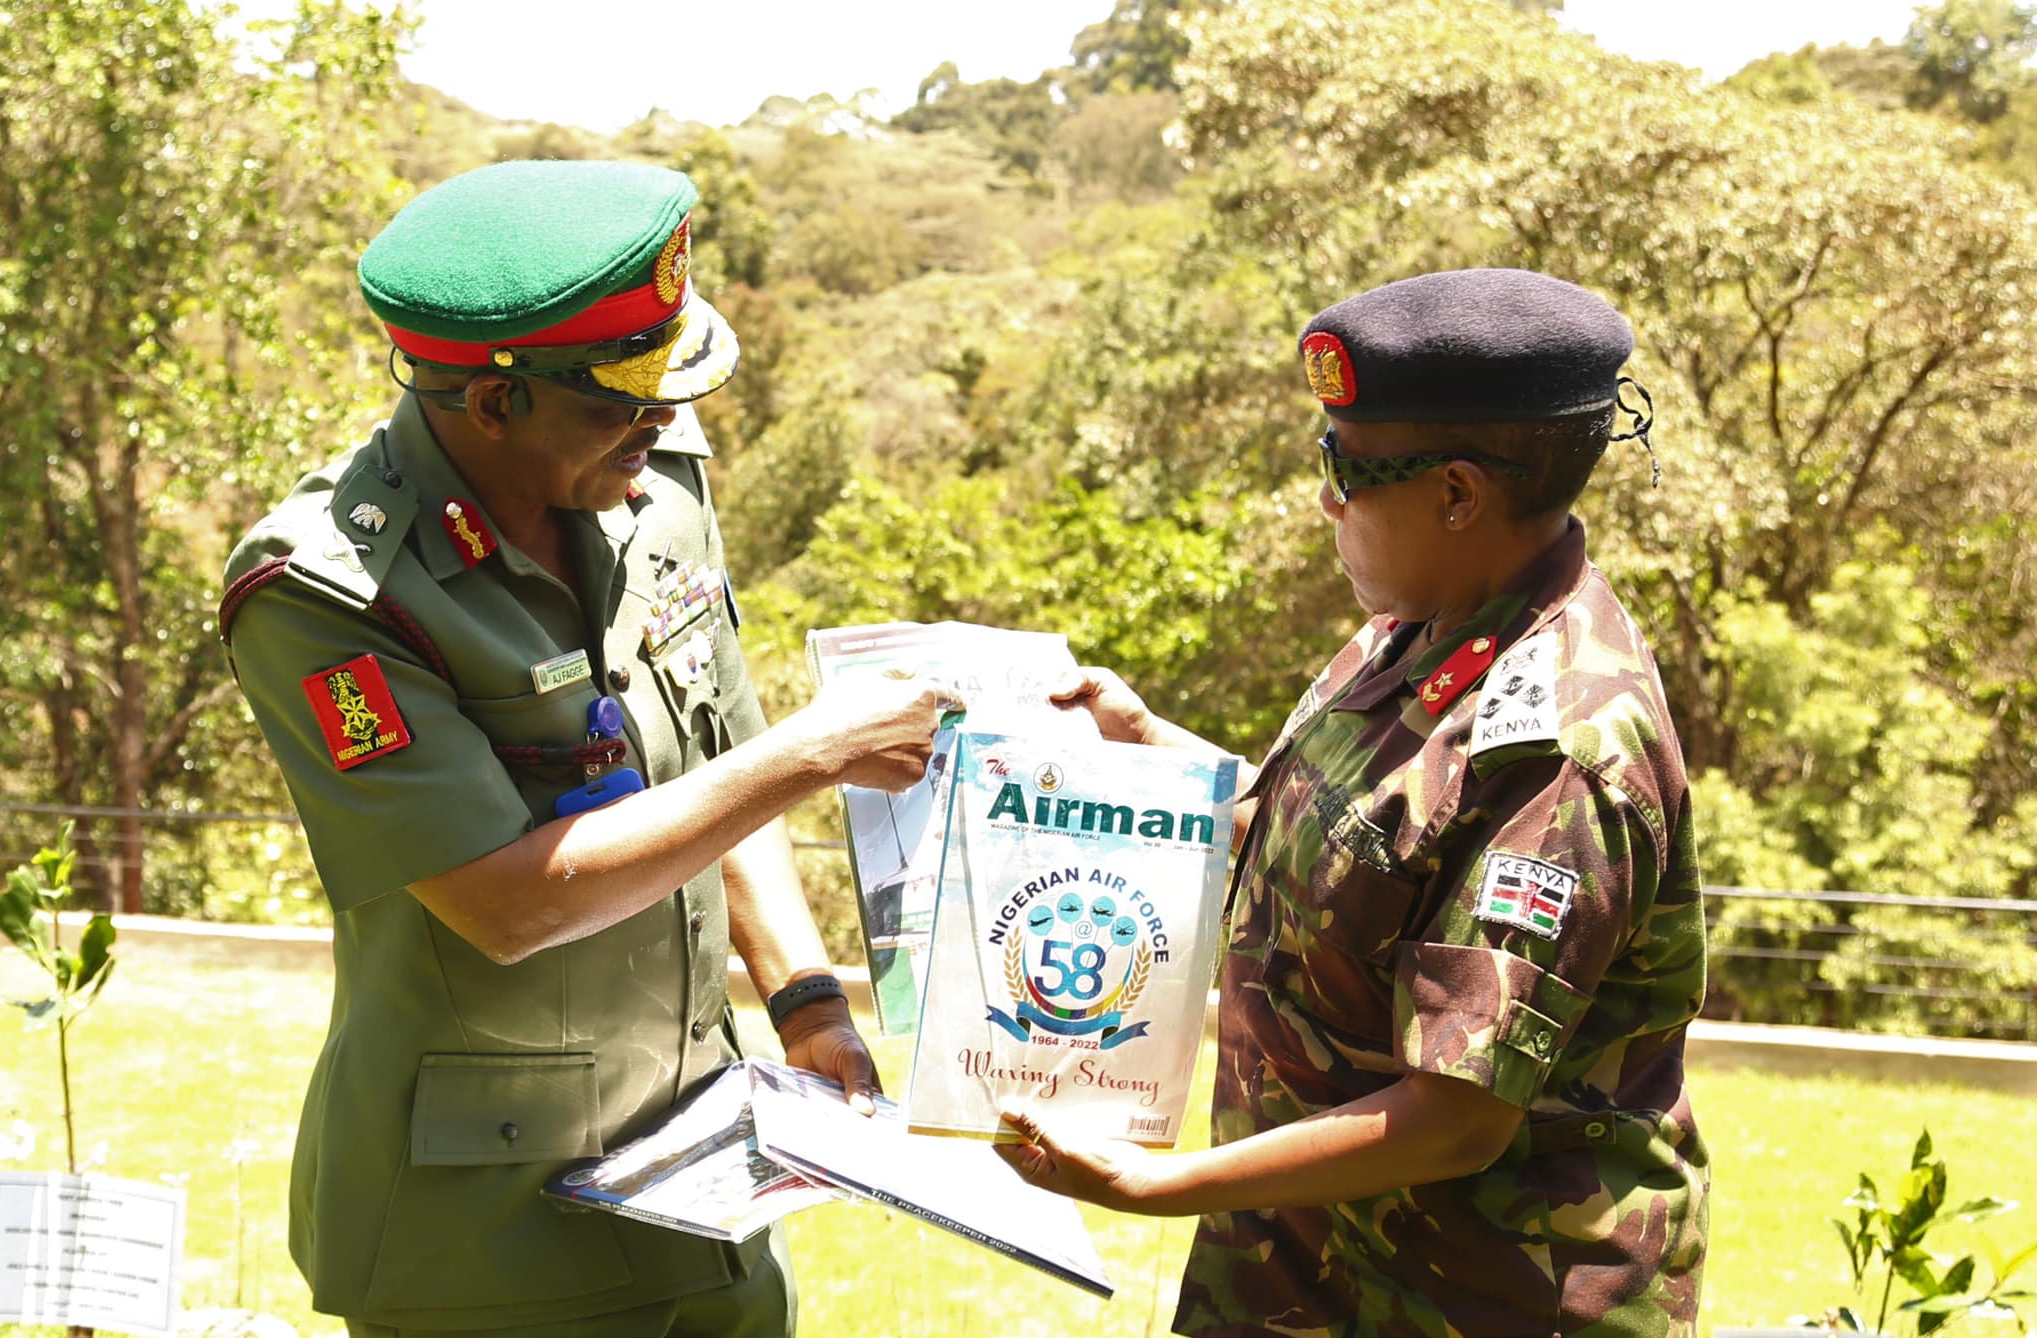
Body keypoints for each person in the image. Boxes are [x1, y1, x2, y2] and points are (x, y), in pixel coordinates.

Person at [219, 160, 951, 1338]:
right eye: (619, 399)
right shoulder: (330, 593)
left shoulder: (651, 482)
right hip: (487, 1239)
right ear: (493, 404)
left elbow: (721, 753)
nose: (659, 421)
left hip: (702, 1178)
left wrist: (807, 1003)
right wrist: (813, 755)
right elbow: (505, 906)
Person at [1003, 268, 1709, 1335]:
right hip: (1303, 1273)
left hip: (1471, 1297)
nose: (1324, 496)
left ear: (1457, 494)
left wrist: (1155, 1185)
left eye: (1344, 466)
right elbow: (1339, 857)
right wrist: (1145, 747)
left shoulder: (1558, 745)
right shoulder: (1415, 626)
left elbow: (1456, 1116)